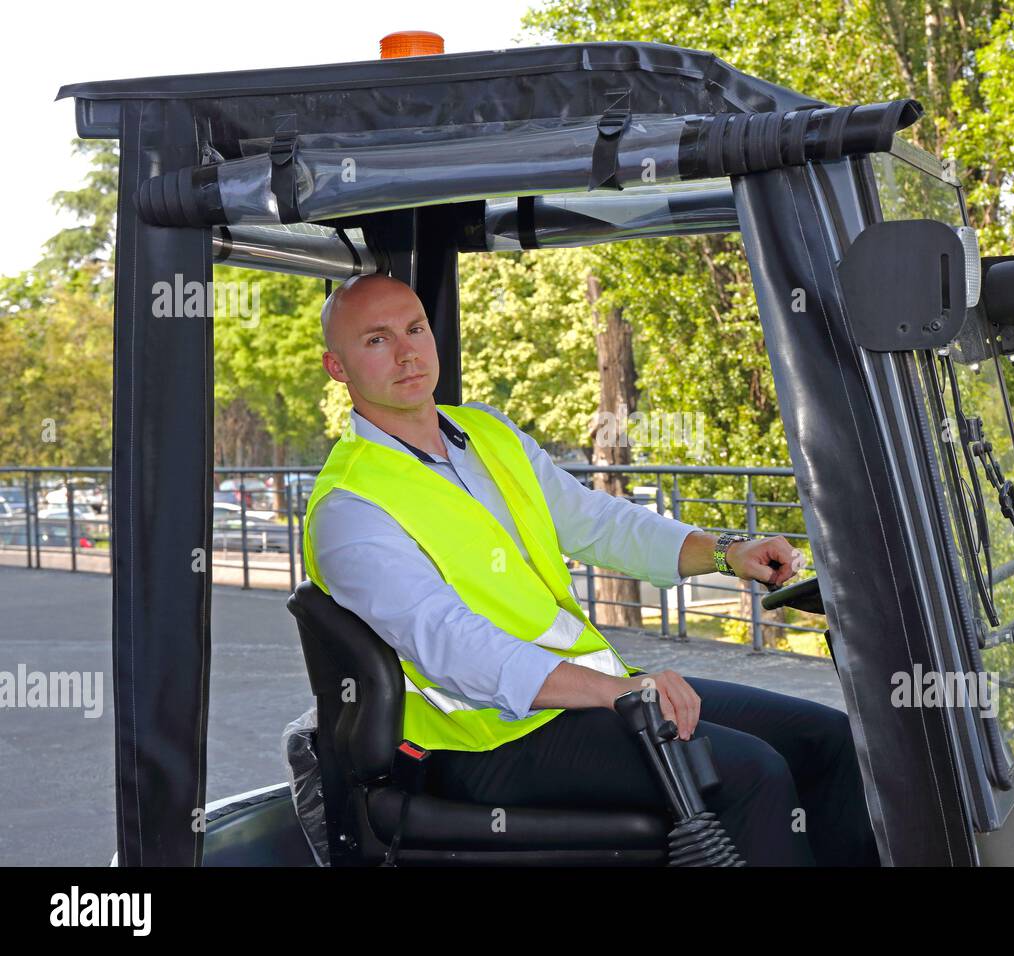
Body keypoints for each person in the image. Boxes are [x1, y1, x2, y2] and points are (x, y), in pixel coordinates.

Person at [303, 273, 878, 866]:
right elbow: (451, 645)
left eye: (415, 329)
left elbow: (595, 521)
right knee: (749, 773)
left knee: (828, 741)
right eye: (376, 340)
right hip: (492, 738)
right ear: (337, 367)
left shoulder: (484, 435)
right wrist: (615, 692)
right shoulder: (351, 508)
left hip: (578, 700)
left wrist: (726, 552)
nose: (407, 352)